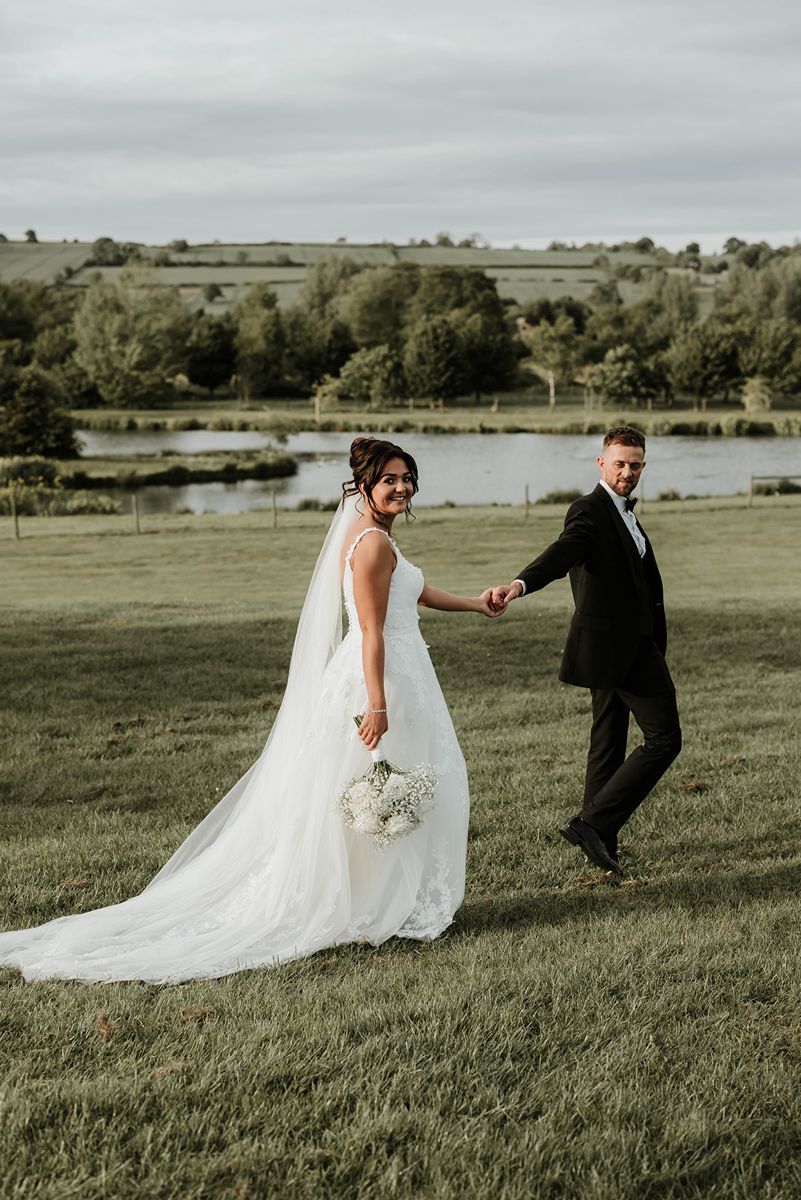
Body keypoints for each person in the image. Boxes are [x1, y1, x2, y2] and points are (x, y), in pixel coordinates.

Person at [0, 437, 500, 983]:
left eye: (407, 478)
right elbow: (373, 630)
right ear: (364, 486)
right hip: (383, 680)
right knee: (381, 785)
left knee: (378, 787)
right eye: (390, 480)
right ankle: (370, 906)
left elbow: (416, 591)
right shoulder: (374, 543)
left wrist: (476, 603)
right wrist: (377, 705)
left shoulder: (373, 535)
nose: (401, 487)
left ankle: (376, 901)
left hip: (396, 673)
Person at [491, 426, 681, 875]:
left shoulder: (626, 513)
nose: (627, 472)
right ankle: (592, 822)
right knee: (665, 739)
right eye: (619, 463)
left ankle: (601, 841)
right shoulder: (590, 510)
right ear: (601, 463)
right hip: (623, 649)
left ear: (643, 466)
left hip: (619, 647)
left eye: (635, 465)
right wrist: (519, 584)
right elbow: (562, 553)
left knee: (607, 743)